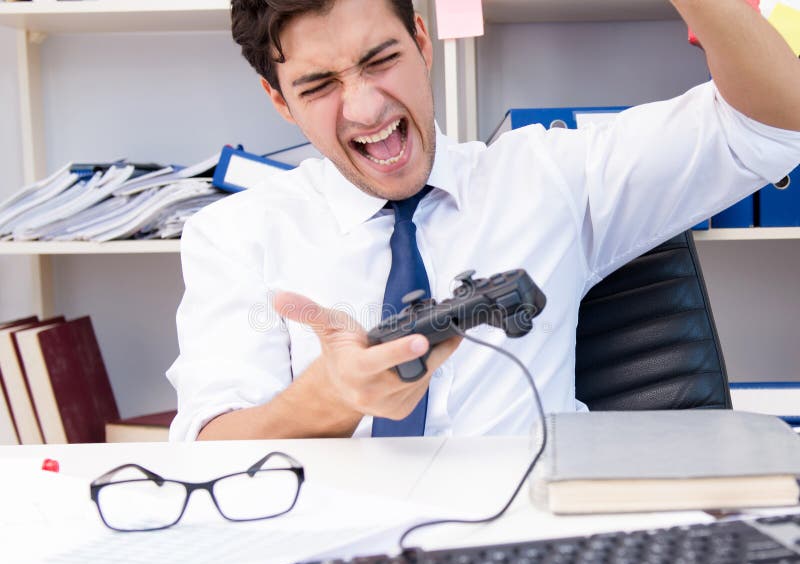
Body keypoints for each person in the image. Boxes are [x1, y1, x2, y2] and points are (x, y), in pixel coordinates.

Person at [167, 0, 800, 441]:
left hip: (529, 543)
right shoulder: (234, 235)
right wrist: (330, 398)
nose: (364, 107)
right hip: (341, 562)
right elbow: (209, 441)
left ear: (422, 41)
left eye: (381, 59)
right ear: (279, 100)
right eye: (319, 85)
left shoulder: (551, 176)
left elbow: (772, 126)